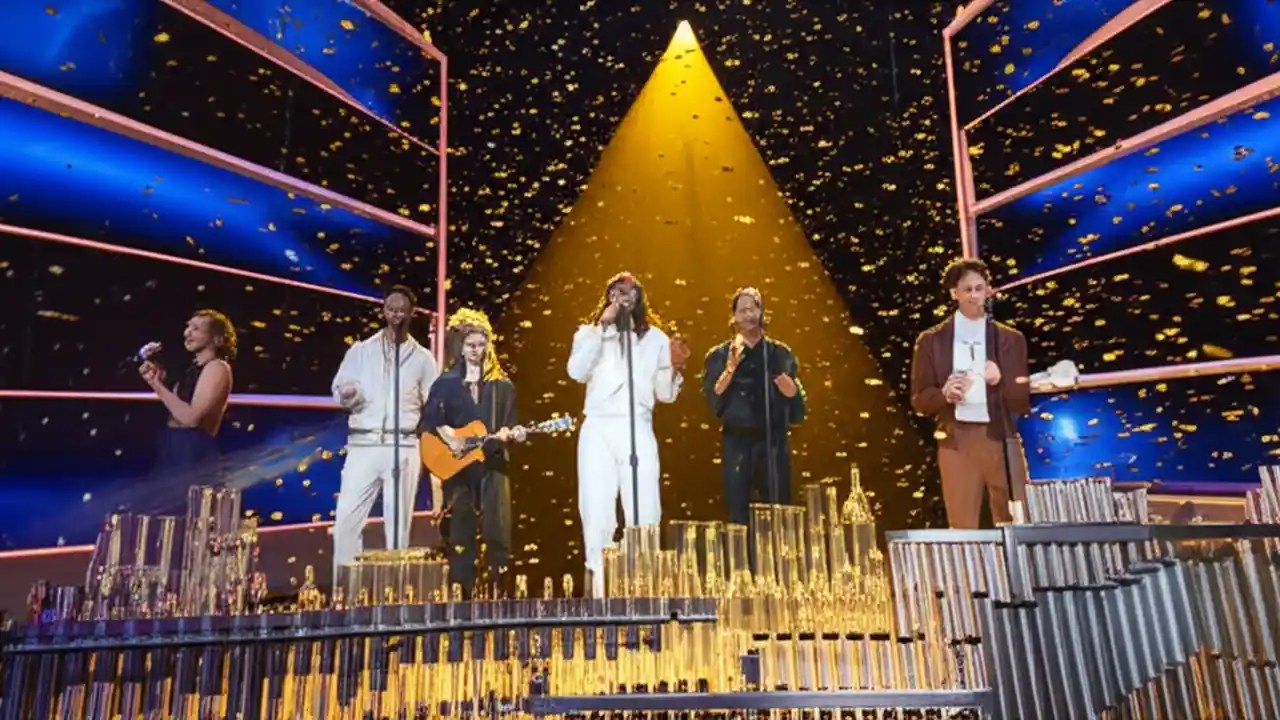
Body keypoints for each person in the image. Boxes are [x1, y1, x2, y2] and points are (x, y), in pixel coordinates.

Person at [567, 272, 690, 597]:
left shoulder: (656, 339)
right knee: (595, 510)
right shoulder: (589, 333)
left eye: (630, 293)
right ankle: (600, 596)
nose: (624, 298)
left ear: (639, 299)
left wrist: (675, 370)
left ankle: (642, 592)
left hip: (637, 425)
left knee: (645, 509)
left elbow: (664, 394)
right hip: (598, 426)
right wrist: (602, 329)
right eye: (617, 293)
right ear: (608, 296)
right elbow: (576, 372)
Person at [910, 258, 1031, 529]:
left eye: (980, 288)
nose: (975, 296)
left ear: (989, 290)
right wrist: (944, 395)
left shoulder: (1010, 339)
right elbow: (919, 399)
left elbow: (1021, 400)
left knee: (1016, 521)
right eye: (968, 290)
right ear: (954, 293)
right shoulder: (931, 341)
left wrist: (1000, 380)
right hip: (957, 441)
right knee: (962, 525)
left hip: (1000, 437)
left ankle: (1016, 570)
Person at [331, 286, 439, 575]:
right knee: (346, 520)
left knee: (397, 529)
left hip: (403, 447)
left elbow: (436, 402)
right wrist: (349, 393)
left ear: (411, 314)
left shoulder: (423, 359)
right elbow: (338, 390)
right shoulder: (361, 351)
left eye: (401, 310)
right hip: (363, 445)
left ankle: (393, 595)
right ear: (383, 311)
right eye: (391, 309)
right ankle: (346, 594)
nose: (395, 315)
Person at [421, 308, 524, 599]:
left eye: (481, 345)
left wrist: (513, 433)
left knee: (498, 532)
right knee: (460, 534)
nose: (477, 351)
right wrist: (450, 436)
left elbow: (511, 422)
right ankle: (461, 598)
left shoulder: (502, 385)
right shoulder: (445, 383)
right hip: (460, 469)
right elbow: (430, 422)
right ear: (461, 347)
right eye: (471, 345)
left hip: (493, 465)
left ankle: (499, 595)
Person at [702, 288, 806, 525]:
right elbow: (713, 400)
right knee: (739, 515)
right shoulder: (718, 356)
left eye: (753, 308)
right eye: (743, 310)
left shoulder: (780, 354)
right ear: (734, 317)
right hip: (737, 444)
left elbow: (798, 412)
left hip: (773, 443)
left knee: (779, 513)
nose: (749, 314)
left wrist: (792, 393)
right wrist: (730, 369)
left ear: (762, 313)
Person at [138, 309, 236, 484]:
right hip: (172, 446)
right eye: (188, 327)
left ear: (216, 338)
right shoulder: (192, 369)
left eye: (196, 328)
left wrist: (156, 385)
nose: (187, 333)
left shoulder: (217, 367)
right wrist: (158, 380)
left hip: (192, 452)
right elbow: (176, 409)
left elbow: (191, 419)